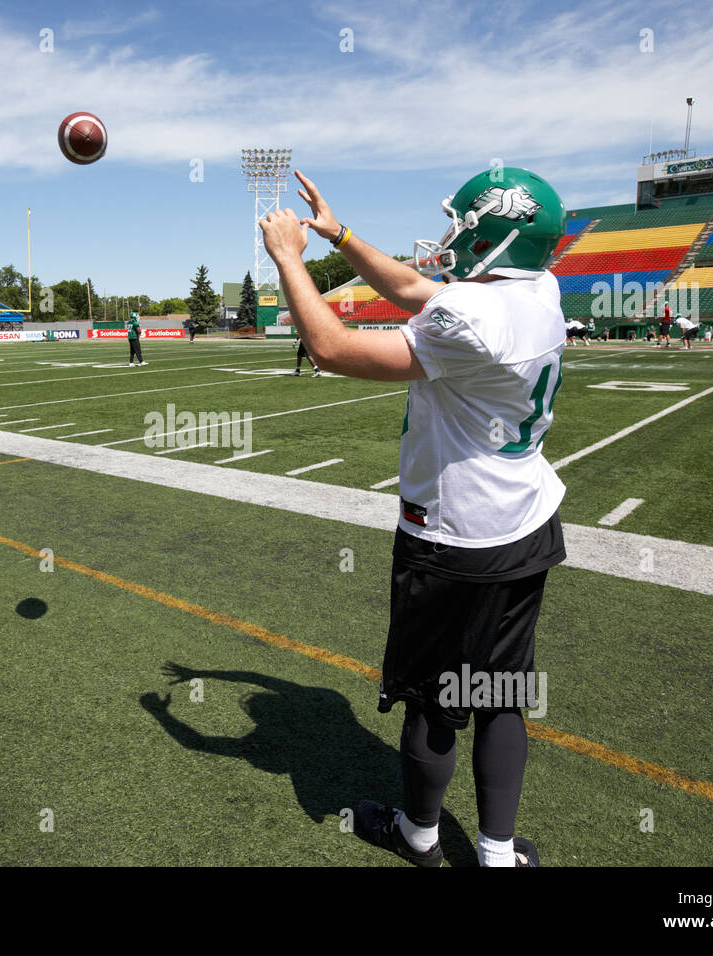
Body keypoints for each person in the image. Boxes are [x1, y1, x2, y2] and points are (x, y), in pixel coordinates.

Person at [261, 167, 568, 868]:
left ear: (496, 237)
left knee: (434, 702)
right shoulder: (540, 290)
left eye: (465, 226)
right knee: (500, 693)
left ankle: (419, 836)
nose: (452, 236)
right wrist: (338, 233)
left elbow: (333, 350)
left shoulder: (470, 317)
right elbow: (410, 287)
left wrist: (288, 259)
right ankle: (495, 854)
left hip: (457, 538)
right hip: (525, 521)